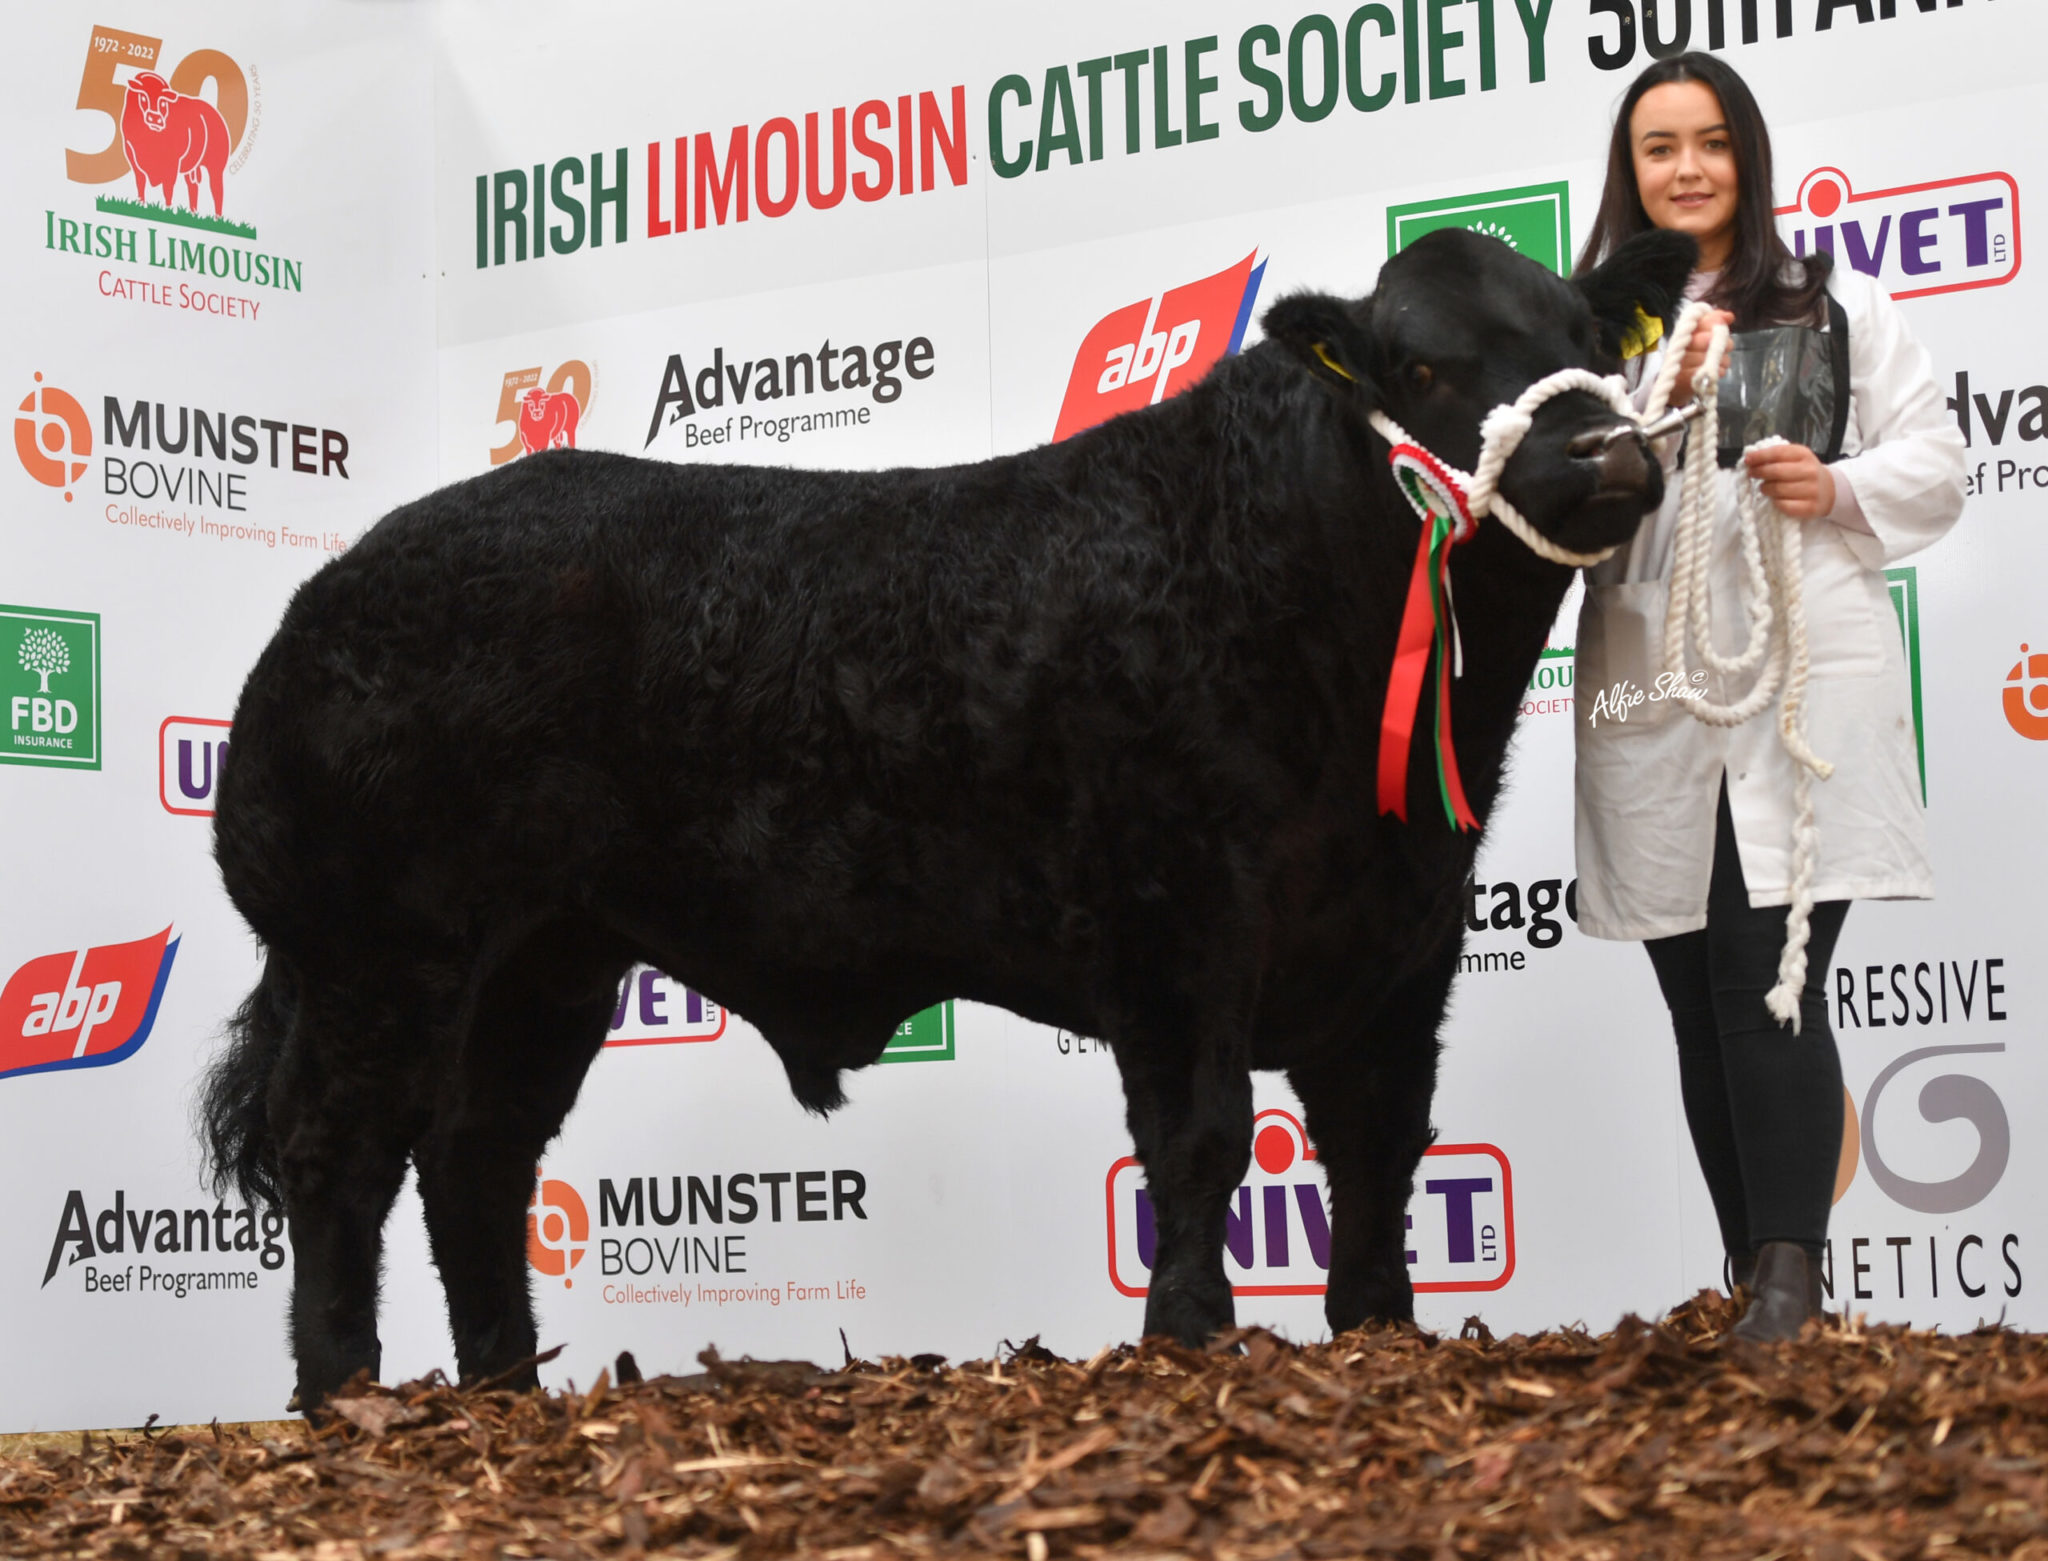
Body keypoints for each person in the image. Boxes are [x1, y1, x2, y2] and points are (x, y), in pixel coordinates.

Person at [1571, 53, 1966, 1340]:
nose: (1685, 169)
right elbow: (1549, 495)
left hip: (1797, 682)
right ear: (1628, 174)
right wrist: (1638, 432)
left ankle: (1790, 1279)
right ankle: (1760, 1280)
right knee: (1697, 993)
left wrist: (1835, 487)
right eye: (1656, 149)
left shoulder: (1833, 302)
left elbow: (1938, 464)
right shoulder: (1588, 331)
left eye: (1707, 143)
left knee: (1767, 974)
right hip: (1657, 685)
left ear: (1745, 153)